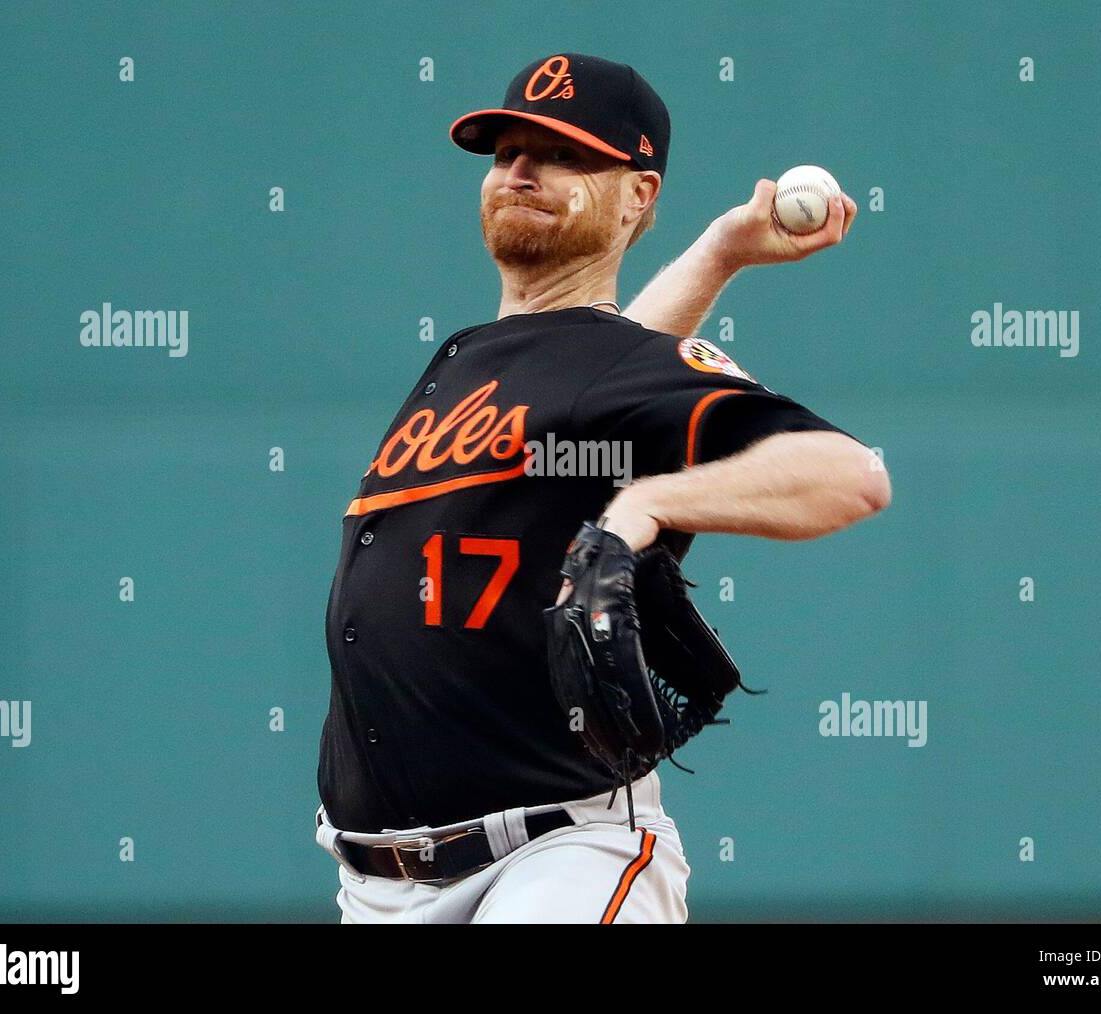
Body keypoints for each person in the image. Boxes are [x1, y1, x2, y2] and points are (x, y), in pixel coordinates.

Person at [314, 52, 889, 923]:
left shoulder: (614, 368)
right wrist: (722, 251)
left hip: (557, 858)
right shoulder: (485, 359)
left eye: (562, 154)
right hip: (375, 885)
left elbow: (851, 475)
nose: (519, 170)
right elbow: (594, 382)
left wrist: (648, 505)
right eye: (505, 149)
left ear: (637, 197)